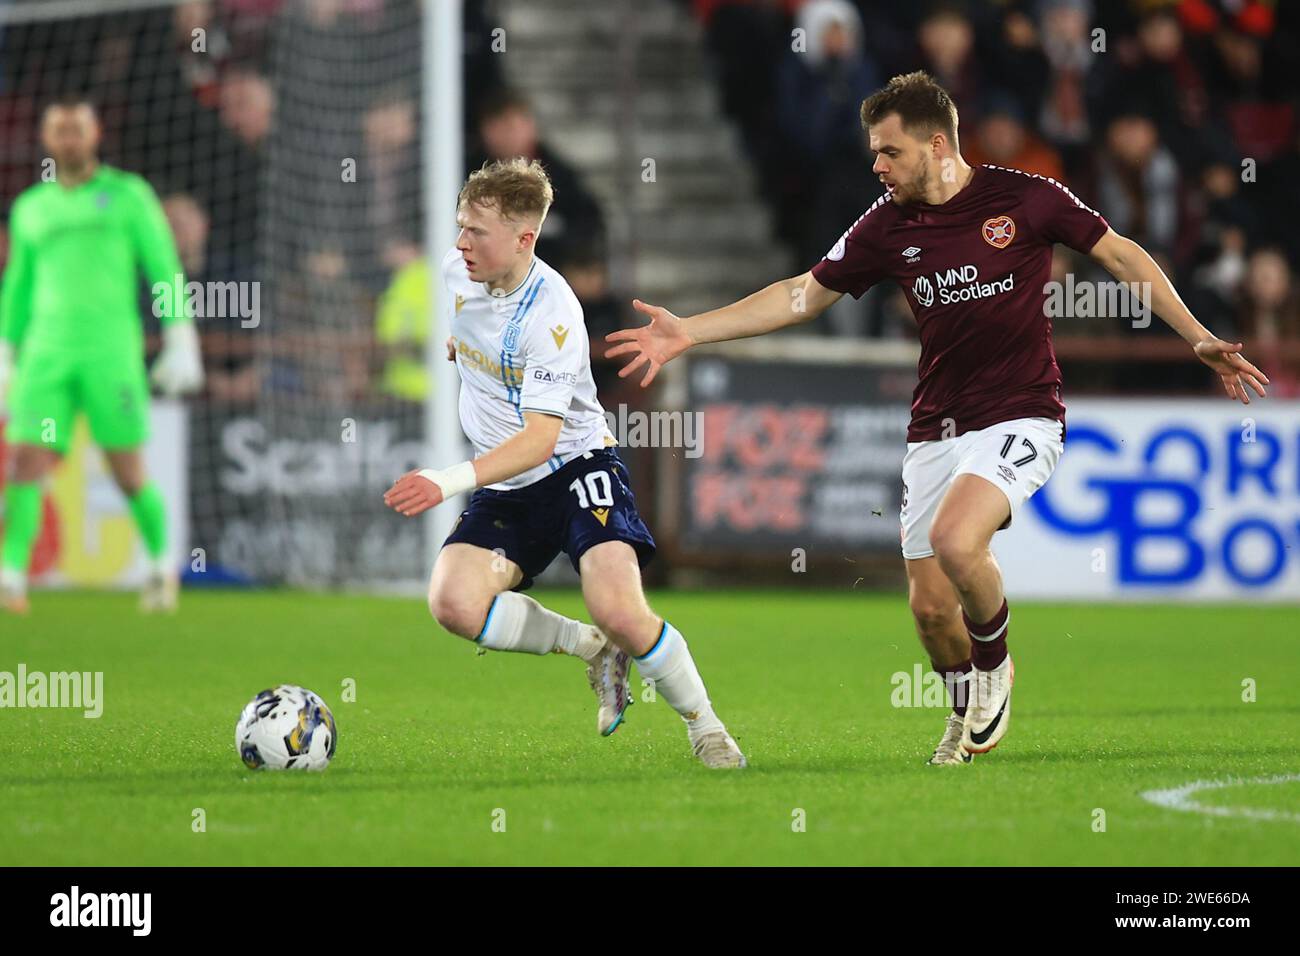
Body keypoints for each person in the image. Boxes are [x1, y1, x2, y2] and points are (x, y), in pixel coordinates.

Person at [606, 71, 1267, 765]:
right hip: (935, 429)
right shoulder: (887, 224)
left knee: (958, 541)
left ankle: (996, 669)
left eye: (889, 152)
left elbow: (1121, 253)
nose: (877, 166)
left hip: (1023, 413)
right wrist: (691, 332)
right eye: (874, 153)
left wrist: (1193, 335)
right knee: (927, 610)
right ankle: (960, 713)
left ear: (938, 143)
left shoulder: (1026, 198)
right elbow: (802, 294)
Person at [383, 159, 745, 769]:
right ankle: (590, 650)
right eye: (460, 226)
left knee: (620, 609)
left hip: (578, 467)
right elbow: (471, 329)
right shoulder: (456, 271)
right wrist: (460, 345)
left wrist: (445, 480)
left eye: (477, 232)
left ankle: (704, 724)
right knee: (453, 604)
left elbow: (540, 441)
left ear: (525, 239)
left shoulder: (554, 315)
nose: (460, 243)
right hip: (509, 488)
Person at [0, 98, 204, 614]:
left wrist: (179, 332)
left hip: (110, 354)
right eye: (59, 130)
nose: (68, 139)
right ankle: (11, 576)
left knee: (126, 469)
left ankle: (161, 568)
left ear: (95, 134)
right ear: (47, 140)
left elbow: (162, 266)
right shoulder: (31, 208)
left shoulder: (128, 196)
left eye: (77, 129)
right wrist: (5, 345)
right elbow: (18, 287)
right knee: (26, 461)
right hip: (46, 358)